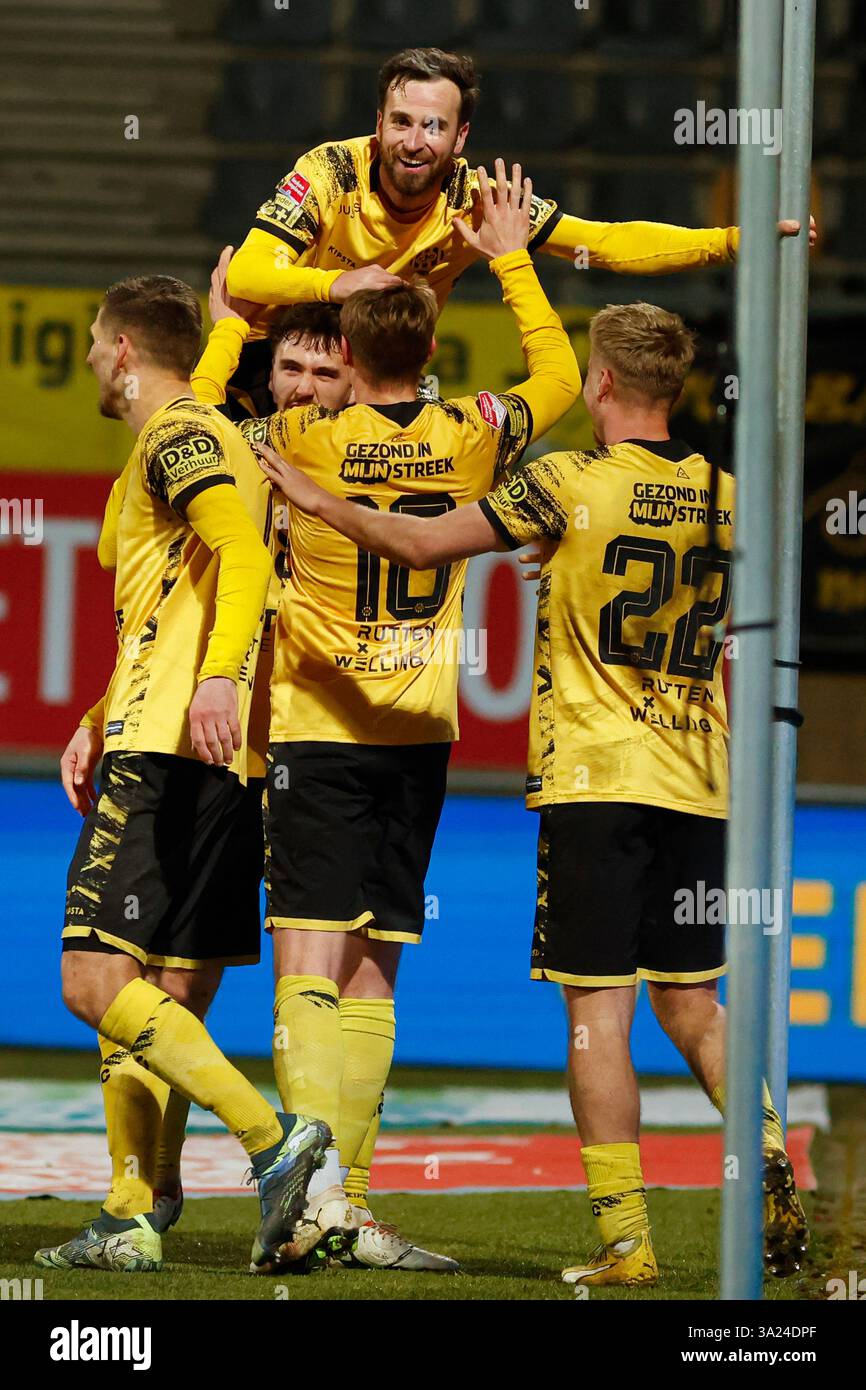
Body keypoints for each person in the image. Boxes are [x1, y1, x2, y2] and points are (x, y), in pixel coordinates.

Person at [259, 299, 809, 1288]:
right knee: (694, 1003)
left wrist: (316, 498)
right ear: (672, 389)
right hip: (701, 776)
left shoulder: (558, 482)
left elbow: (422, 546)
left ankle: (626, 1239)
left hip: (596, 779)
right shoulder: (729, 495)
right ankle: (765, 1148)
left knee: (596, 1017)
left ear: (600, 382)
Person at [243, 161, 580, 1272]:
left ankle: (313, 1203)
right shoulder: (477, 432)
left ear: (339, 359)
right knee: (380, 962)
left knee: (308, 956)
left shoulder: (296, 444)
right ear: (429, 355)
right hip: (420, 729)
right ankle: (351, 1202)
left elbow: (233, 320)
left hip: (313, 722)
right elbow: (559, 376)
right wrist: (509, 261)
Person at [36, 275, 331, 1277]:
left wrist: (207, 684)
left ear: (122, 350)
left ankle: (269, 1140)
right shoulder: (197, 436)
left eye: (90, 339)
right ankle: (134, 1206)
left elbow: (241, 556)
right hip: (212, 749)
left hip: (171, 744)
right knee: (160, 989)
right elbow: (178, 597)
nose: (84, 355)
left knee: (93, 976)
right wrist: (92, 715)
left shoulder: (179, 433)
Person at [226, 46, 815, 317]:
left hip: (381, 378)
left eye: (434, 127)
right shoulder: (329, 170)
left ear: (459, 140)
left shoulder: (479, 200)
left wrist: (731, 241)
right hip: (282, 360)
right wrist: (339, 286)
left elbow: (605, 244)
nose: (414, 142)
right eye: (400, 122)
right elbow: (249, 274)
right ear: (377, 125)